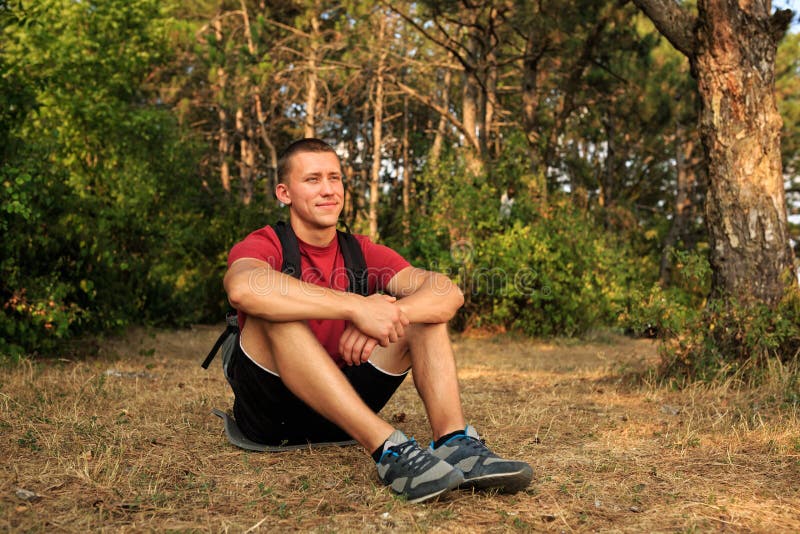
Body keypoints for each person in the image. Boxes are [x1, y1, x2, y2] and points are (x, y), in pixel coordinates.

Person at [223, 138, 532, 503]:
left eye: (334, 178)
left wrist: (391, 313)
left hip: (345, 406)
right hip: (274, 417)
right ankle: (389, 450)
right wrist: (355, 306)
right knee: (275, 312)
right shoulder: (265, 243)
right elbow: (243, 287)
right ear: (284, 192)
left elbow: (447, 292)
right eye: (312, 180)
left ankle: (454, 443)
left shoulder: (361, 251)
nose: (328, 190)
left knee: (424, 314)